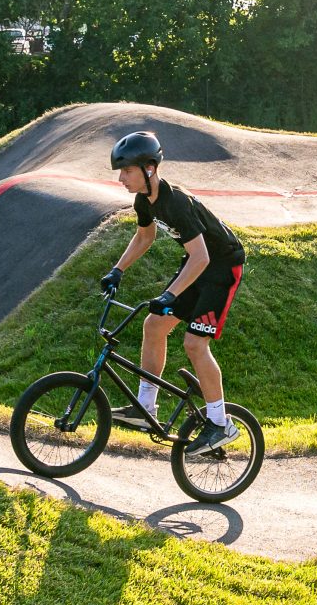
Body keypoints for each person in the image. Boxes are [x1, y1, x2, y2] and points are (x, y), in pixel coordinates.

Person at [103, 129, 245, 448]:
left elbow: (202, 256)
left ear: (149, 168)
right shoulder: (144, 200)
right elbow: (144, 237)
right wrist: (117, 271)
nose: (121, 178)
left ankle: (221, 423)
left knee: (195, 344)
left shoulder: (176, 201)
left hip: (222, 265)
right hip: (198, 263)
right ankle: (145, 408)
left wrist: (170, 295)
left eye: (127, 171)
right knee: (154, 326)